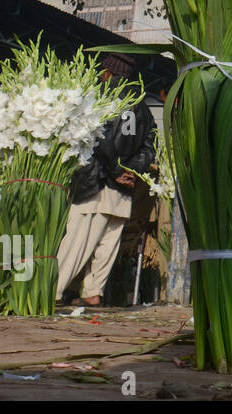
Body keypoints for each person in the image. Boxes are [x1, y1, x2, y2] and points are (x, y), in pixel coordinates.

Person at [55, 55, 156, 307]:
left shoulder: (100, 97)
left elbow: (97, 138)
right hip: (124, 189)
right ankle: (92, 292)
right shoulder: (141, 105)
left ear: (107, 72)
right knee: (108, 242)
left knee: (78, 239)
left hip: (97, 181)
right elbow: (150, 145)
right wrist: (131, 170)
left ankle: (54, 290)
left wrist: (115, 170)